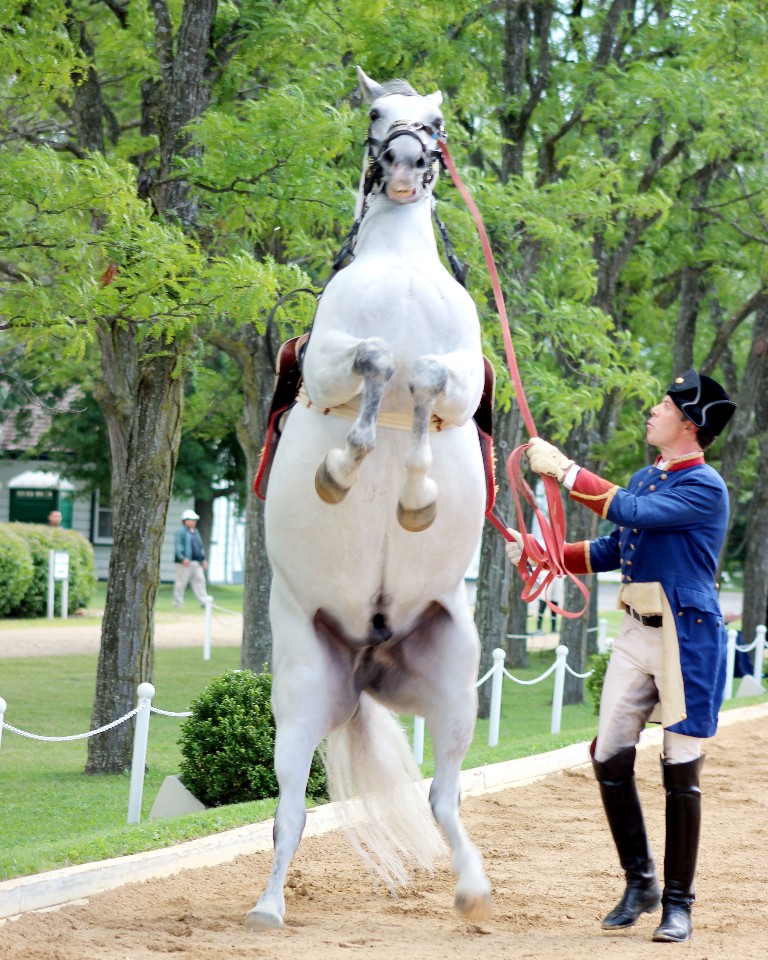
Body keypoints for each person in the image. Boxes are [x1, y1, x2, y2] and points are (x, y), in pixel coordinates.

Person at [505, 368, 736, 943]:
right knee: (610, 755)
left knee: (680, 767)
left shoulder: (705, 485)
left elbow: (632, 514)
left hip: (686, 637)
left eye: (662, 406)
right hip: (636, 629)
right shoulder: (646, 477)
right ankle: (642, 881)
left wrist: (565, 471)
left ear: (689, 423)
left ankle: (678, 904)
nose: (651, 412)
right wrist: (544, 551)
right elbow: (615, 545)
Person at [173, 509, 210, 608]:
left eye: (195, 520)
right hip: (184, 563)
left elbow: (200, 547)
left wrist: (203, 559)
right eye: (192, 519)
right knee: (181, 583)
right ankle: (178, 603)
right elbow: (178, 545)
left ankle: (204, 602)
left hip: (196, 562)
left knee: (200, 581)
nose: (194, 522)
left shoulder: (196, 532)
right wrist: (182, 558)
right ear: (186, 520)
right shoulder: (180, 531)